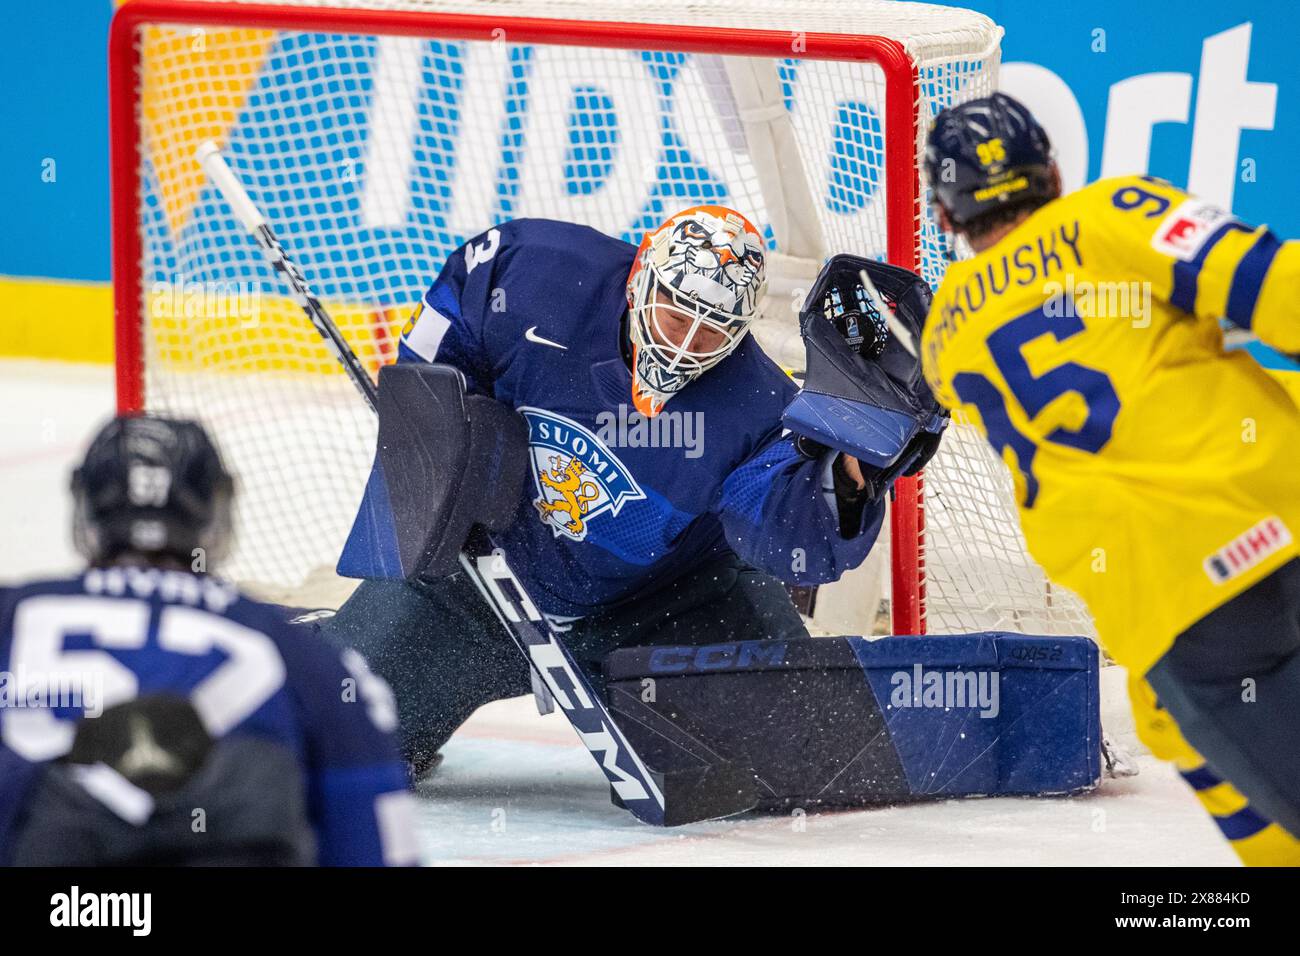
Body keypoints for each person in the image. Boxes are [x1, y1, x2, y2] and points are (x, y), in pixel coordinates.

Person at [325, 206, 931, 777]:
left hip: (659, 611)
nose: (684, 342)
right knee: (327, 740)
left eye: (711, 331)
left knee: (808, 758)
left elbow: (788, 541)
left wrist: (855, 464)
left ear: (740, 332)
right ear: (642, 275)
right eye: (676, 314)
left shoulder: (759, 408)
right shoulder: (532, 270)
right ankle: (324, 648)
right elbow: (453, 320)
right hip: (474, 587)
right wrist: (442, 428)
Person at [920, 91, 1300, 865]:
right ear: (1052, 170)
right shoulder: (1113, 210)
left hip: (1185, 605)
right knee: (1162, 713)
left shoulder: (944, 339)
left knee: (1181, 715)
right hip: (1277, 515)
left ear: (943, 215)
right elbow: (1274, 288)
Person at [0, 414, 418, 866]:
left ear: (86, 511)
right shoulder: (310, 660)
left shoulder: (12, 615)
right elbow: (378, 848)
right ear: (216, 514)